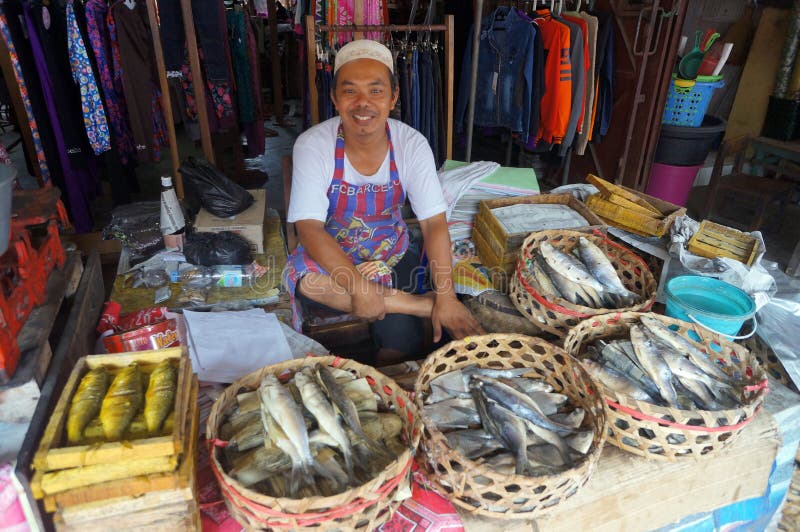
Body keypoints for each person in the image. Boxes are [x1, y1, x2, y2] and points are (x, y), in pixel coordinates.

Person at [283, 39, 483, 365]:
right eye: (350, 91)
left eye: (376, 91)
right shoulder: (313, 145)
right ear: (334, 98)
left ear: (393, 97)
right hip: (331, 257)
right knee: (308, 283)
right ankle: (420, 304)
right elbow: (309, 229)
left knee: (401, 346)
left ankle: (420, 312)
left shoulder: (411, 145)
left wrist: (446, 294)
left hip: (390, 253)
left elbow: (433, 223)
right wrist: (359, 287)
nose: (363, 104)